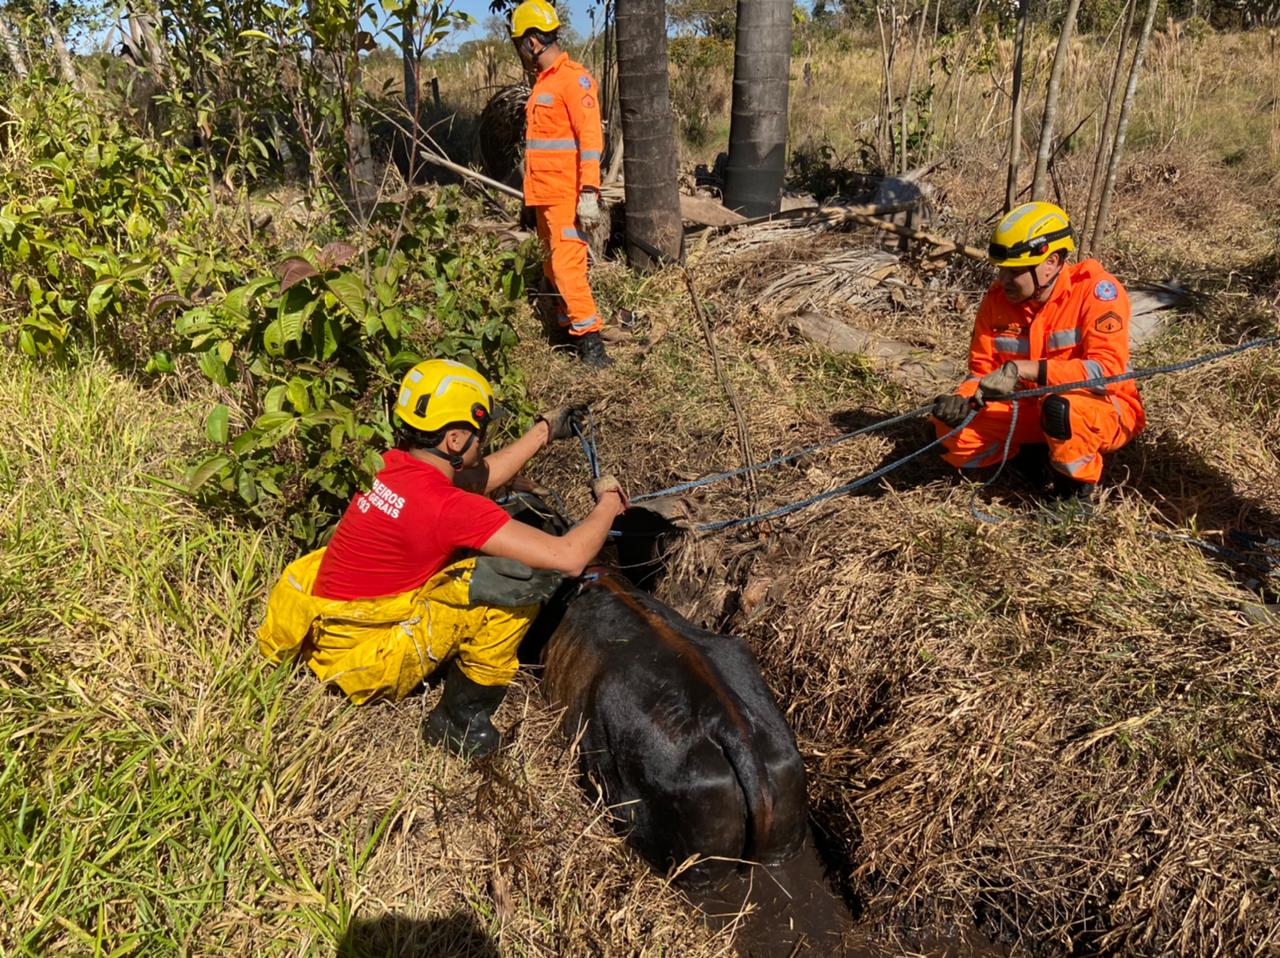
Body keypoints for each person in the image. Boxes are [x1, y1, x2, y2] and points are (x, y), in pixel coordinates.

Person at [258, 359, 629, 759]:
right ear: (454, 440)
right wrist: (608, 505)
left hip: (328, 630)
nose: (481, 443)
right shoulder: (446, 508)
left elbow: (478, 479)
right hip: (366, 662)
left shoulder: (391, 464)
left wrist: (542, 433)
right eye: (478, 435)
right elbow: (569, 557)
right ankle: (457, 722)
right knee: (517, 578)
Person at [930, 201, 1145, 498]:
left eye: (1014, 272)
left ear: (1051, 262)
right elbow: (981, 372)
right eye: (1001, 270)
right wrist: (962, 401)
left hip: (1102, 409)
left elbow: (1106, 372)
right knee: (947, 432)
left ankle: (1073, 497)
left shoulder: (1097, 293)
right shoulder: (997, 300)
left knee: (1061, 409)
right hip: (1030, 408)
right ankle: (1030, 461)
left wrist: (1028, 369)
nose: (1002, 280)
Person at [510, 0, 611, 369]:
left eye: (520, 42)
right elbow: (541, 149)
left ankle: (593, 350)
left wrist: (589, 192)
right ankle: (569, 336)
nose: (520, 51)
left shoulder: (574, 80)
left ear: (534, 40)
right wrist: (528, 199)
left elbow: (590, 141)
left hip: (568, 198)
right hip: (544, 197)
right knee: (553, 269)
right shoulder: (543, 84)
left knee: (569, 271)